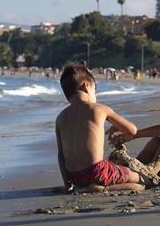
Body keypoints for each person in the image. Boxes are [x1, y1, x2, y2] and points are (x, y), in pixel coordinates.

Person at [55, 64, 143, 193]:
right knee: (140, 179)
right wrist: (116, 127)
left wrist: (67, 184)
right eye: (94, 91)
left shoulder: (60, 118)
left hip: (74, 177)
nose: (95, 96)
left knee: (93, 176)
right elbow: (132, 130)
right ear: (86, 86)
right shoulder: (99, 109)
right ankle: (104, 188)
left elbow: (61, 156)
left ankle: (86, 187)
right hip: (97, 171)